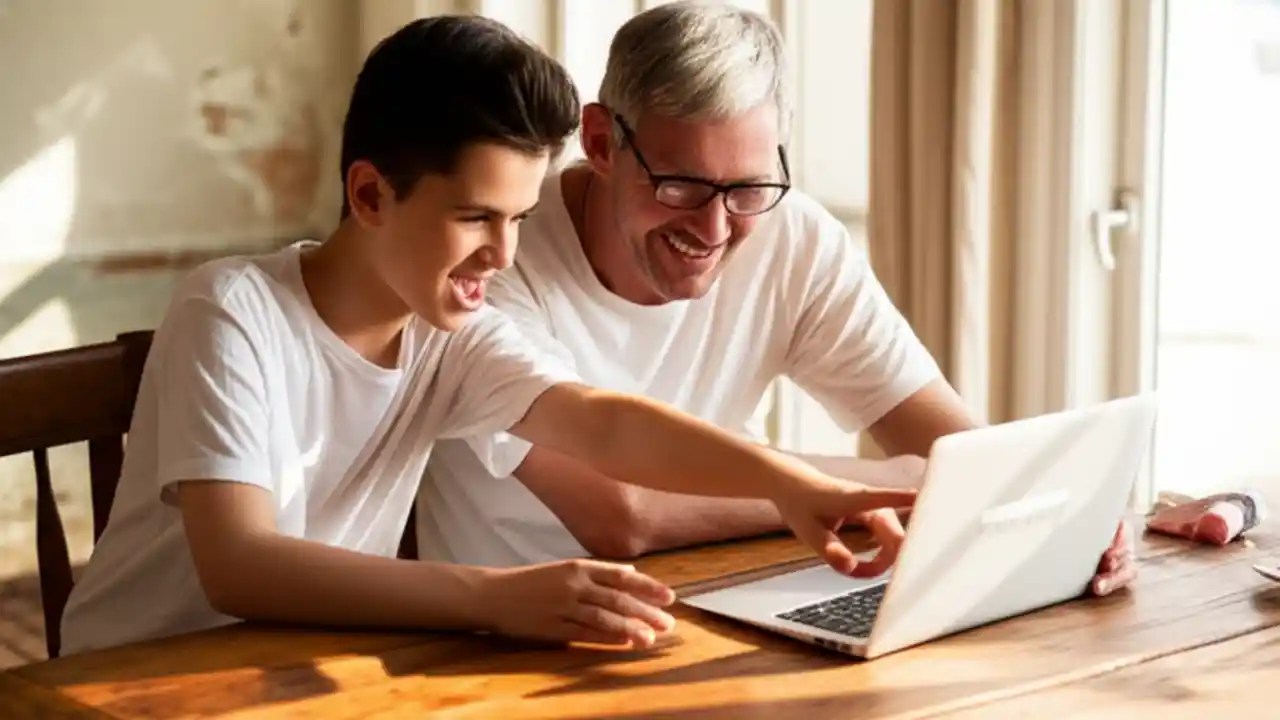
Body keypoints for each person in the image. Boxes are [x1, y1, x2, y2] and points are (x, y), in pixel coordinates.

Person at [58, 15, 918, 656]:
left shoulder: (450, 334)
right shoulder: (233, 312)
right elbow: (240, 567)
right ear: (369, 196)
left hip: (301, 669)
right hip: (127, 685)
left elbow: (602, 422)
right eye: (475, 217)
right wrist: (495, 596)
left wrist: (787, 479)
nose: (501, 255)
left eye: (517, 217)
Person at [417, 1, 1135, 597]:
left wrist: (1069, 514)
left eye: (749, 189)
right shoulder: (492, 251)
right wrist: (899, 484)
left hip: (716, 602)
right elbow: (625, 512)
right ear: (602, 143)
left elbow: (958, 449)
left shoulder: (790, 236)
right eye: (683, 186)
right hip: (500, 642)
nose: (716, 227)